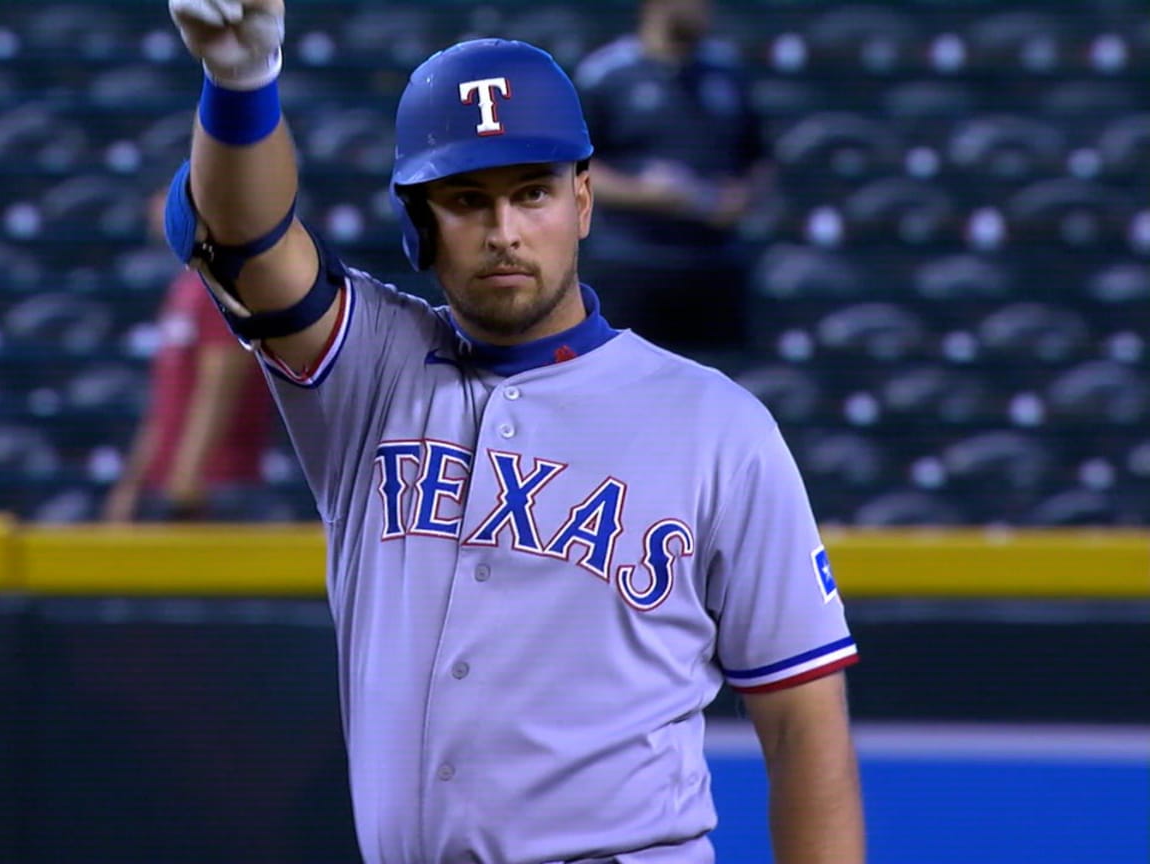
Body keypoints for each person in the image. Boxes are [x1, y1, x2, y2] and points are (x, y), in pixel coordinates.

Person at [165, 1, 863, 861]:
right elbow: (241, 240)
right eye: (467, 199)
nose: (504, 232)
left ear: (582, 201)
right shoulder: (367, 372)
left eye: (531, 192)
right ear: (419, 223)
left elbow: (804, 729)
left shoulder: (719, 426)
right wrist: (240, 85)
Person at [576, 0, 773, 355]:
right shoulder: (606, 75)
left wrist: (744, 196)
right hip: (631, 263)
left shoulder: (728, 72)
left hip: (714, 265)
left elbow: (757, 159)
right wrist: (643, 194)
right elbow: (576, 168)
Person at [104, 183, 274, 522]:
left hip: (214, 486)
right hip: (170, 482)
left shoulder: (225, 284)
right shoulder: (184, 288)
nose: (155, 208)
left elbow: (221, 383)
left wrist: (187, 472)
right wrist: (131, 485)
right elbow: (165, 399)